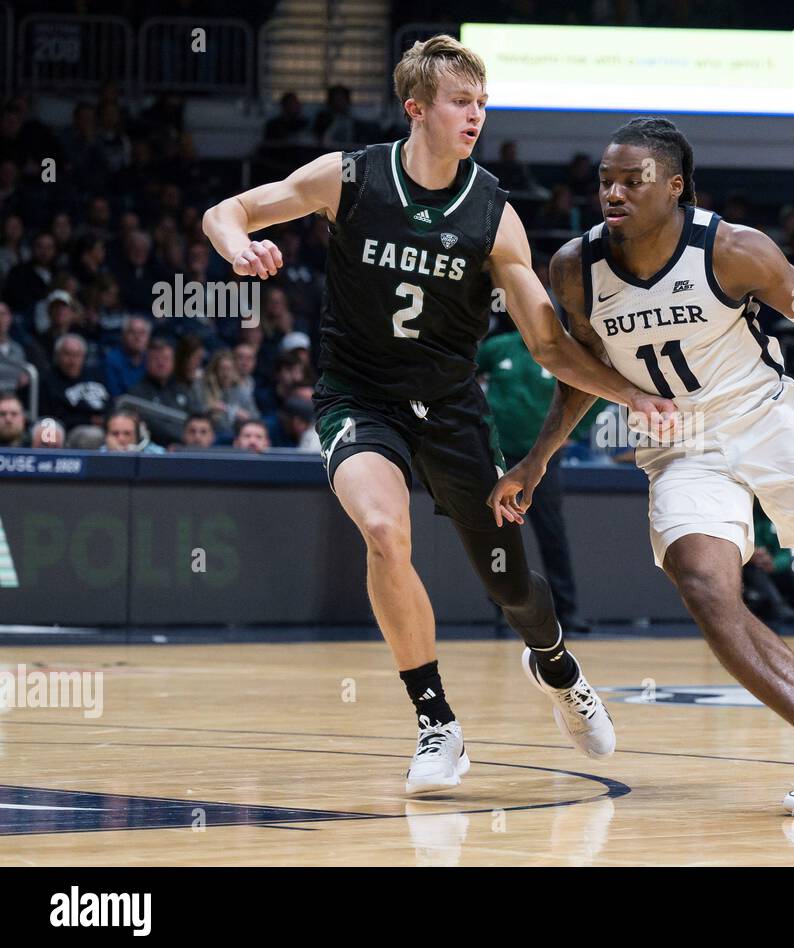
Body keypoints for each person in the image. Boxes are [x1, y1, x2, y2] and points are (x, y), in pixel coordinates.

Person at [203, 36, 675, 795]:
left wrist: (633, 395)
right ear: (416, 108)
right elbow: (233, 210)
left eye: (483, 103)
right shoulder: (350, 177)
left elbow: (549, 344)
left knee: (511, 585)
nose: (477, 115)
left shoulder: (494, 213)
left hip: (451, 410)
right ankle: (437, 725)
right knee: (386, 533)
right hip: (359, 397)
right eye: (462, 101)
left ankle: (556, 666)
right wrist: (235, 246)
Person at [490, 116, 794, 818]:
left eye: (633, 180)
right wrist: (539, 458)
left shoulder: (732, 248)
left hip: (767, 422)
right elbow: (582, 372)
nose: (614, 192)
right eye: (606, 179)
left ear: (675, 186)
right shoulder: (574, 267)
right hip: (680, 446)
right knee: (703, 586)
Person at [477, 322, 592, 633]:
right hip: (499, 456)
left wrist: (575, 432)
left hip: (542, 458)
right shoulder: (497, 347)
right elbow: (464, 380)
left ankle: (567, 611)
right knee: (499, 535)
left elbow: (596, 391)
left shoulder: (559, 350)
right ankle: (505, 610)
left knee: (551, 533)